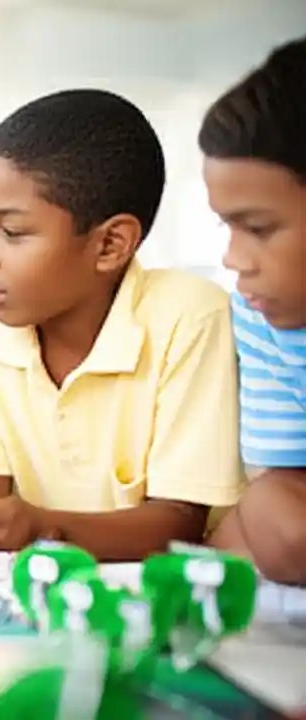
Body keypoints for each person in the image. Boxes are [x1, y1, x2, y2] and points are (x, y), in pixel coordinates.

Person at [0, 89, 244, 560]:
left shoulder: (190, 315)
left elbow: (180, 523)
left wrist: (40, 528)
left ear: (110, 245)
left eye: (13, 232)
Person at [202, 38, 306, 586]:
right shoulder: (262, 317)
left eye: (259, 229)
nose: (233, 260)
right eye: (228, 226)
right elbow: (277, 501)